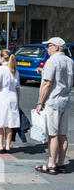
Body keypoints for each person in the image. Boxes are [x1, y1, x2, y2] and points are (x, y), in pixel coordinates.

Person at [35, 37, 74, 175]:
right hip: (64, 100)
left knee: (53, 135)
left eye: (49, 45)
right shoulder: (70, 61)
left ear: (57, 47)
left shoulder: (52, 61)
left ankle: (51, 165)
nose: (47, 48)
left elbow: (47, 84)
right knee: (63, 134)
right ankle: (61, 164)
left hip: (52, 101)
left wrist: (40, 102)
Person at [0, 49, 21, 154]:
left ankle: (0, 145)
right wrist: (18, 101)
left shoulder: (0, 69)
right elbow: (17, 88)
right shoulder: (14, 70)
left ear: (2, 57)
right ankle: (7, 146)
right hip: (13, 97)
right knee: (9, 123)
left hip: (2, 97)